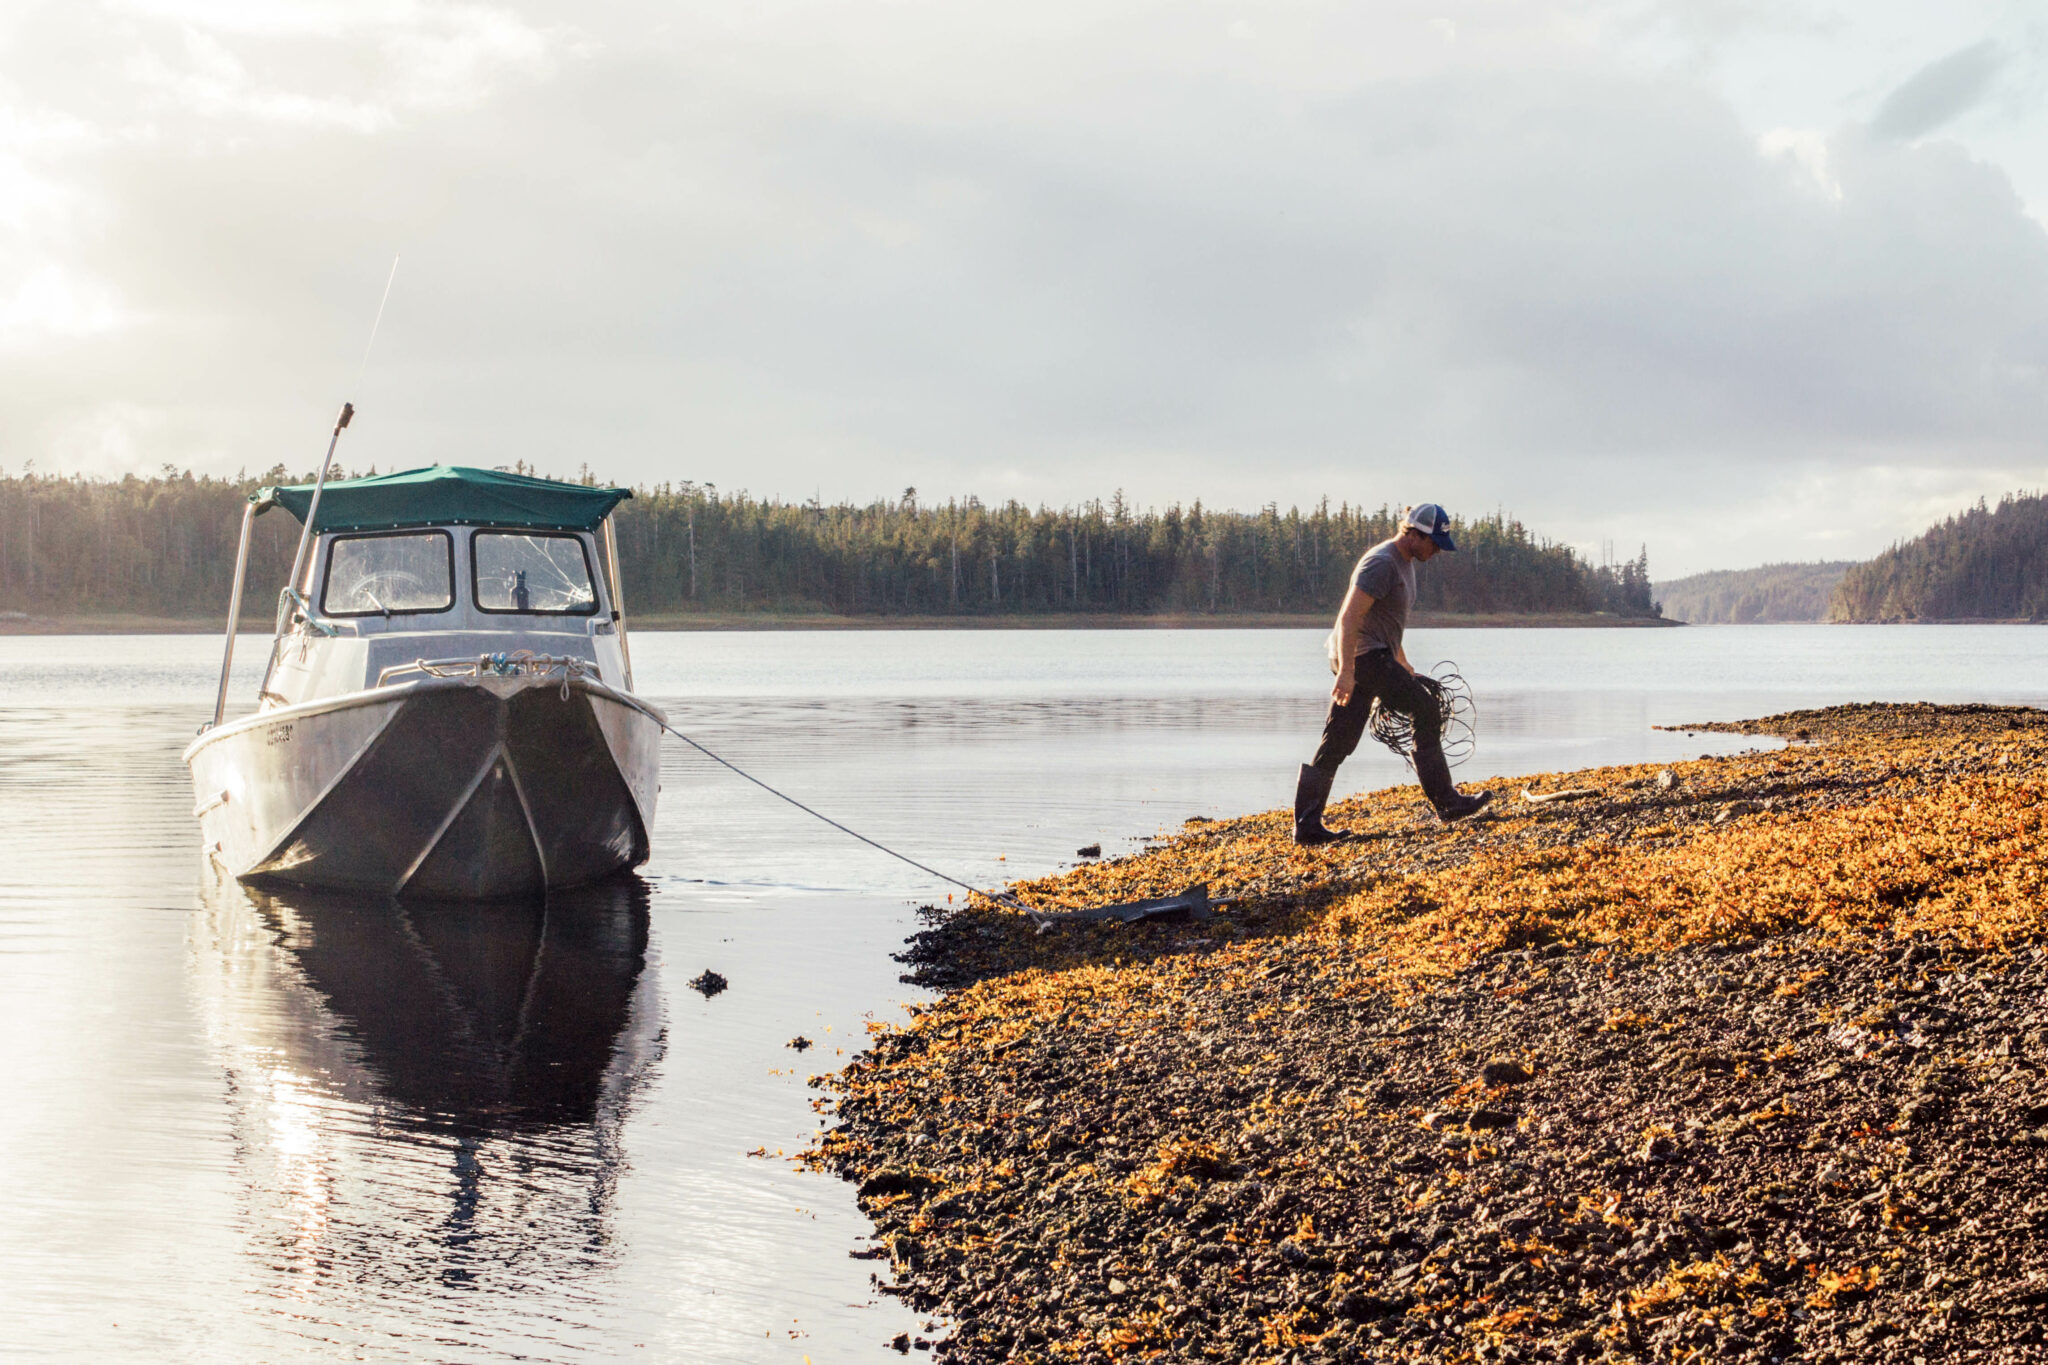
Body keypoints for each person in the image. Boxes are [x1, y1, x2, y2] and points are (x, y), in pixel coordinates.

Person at [1294, 503, 1493, 844]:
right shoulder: (1381, 563)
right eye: (1434, 543)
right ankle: (1447, 804)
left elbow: (1384, 623)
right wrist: (1346, 672)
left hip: (1373, 655)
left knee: (1338, 740)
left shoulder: (1405, 563)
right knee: (1427, 709)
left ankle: (1307, 828)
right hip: (1362, 658)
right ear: (1413, 534)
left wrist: (1403, 663)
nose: (1437, 552)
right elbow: (1348, 619)